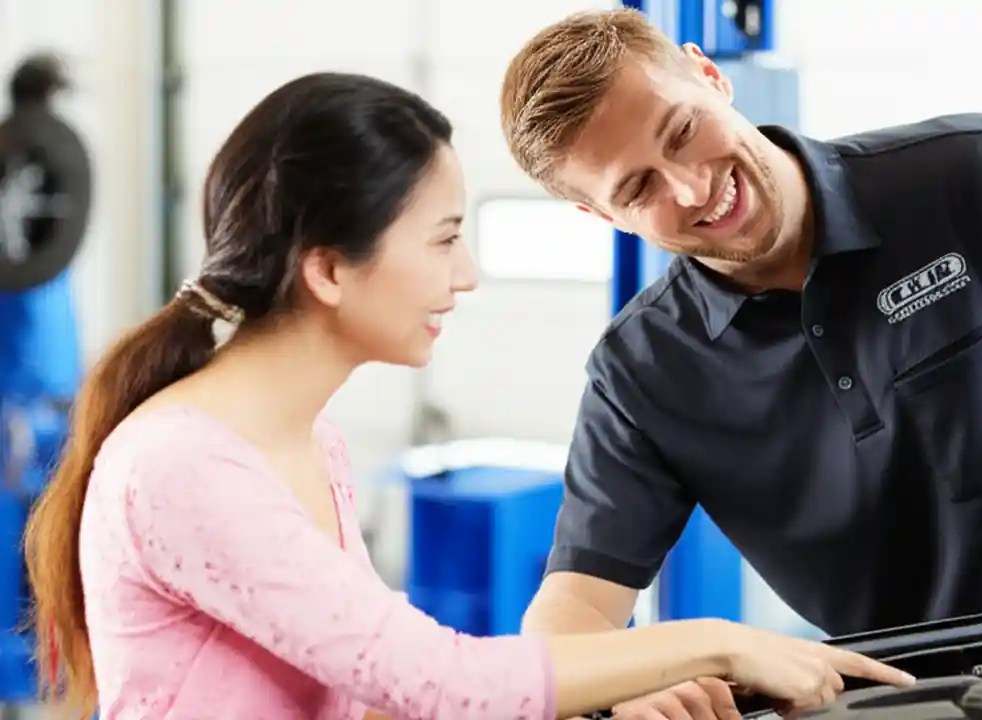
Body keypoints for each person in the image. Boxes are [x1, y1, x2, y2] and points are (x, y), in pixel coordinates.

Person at [20, 72, 914, 719]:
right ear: (329, 269)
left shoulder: (308, 440)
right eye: (444, 239)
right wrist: (721, 641)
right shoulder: (182, 466)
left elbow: (373, 699)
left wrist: (609, 688)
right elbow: (435, 681)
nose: (469, 274)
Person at [498, 8, 982, 719]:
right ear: (598, 214)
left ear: (709, 74)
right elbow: (573, 617)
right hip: (897, 708)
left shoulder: (967, 175)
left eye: (681, 131)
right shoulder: (643, 372)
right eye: (638, 189)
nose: (694, 187)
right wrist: (631, 681)